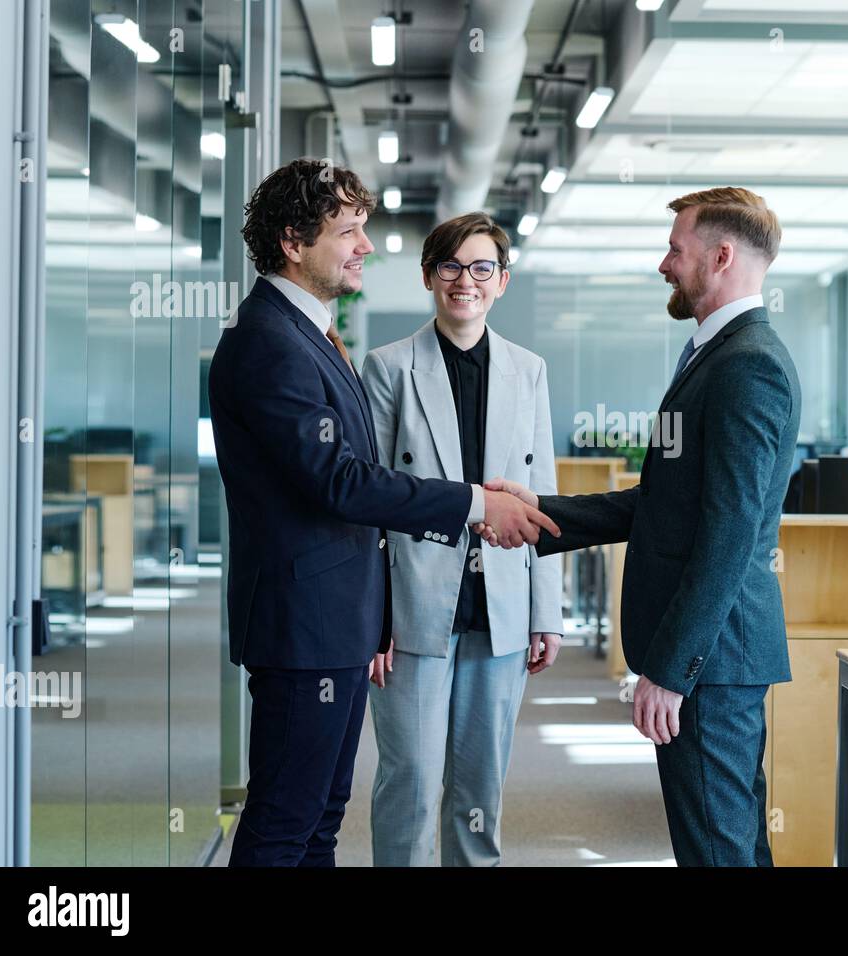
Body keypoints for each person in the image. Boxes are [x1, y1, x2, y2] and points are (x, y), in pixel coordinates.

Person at [208, 159, 557, 867]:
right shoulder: (273, 343)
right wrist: (470, 503)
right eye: (349, 231)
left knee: (317, 821)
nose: (366, 245)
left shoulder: (309, 334)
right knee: (287, 822)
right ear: (292, 241)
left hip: (339, 619)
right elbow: (342, 482)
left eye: (364, 229)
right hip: (308, 624)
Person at [485, 187, 801, 866]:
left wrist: (671, 669)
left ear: (720, 256)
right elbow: (660, 504)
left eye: (675, 250)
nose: (664, 265)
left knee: (718, 847)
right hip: (715, 659)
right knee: (726, 842)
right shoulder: (717, 357)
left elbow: (729, 535)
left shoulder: (747, 366)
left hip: (712, 662)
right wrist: (539, 510)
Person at [362, 212, 563, 866]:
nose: (464, 281)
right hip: (414, 607)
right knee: (412, 782)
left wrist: (546, 614)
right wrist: (371, 620)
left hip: (500, 610)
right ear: (429, 276)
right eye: (449, 266)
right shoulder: (389, 367)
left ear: (501, 281)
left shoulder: (529, 371)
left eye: (481, 268)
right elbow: (370, 501)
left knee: (479, 790)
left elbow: (542, 499)